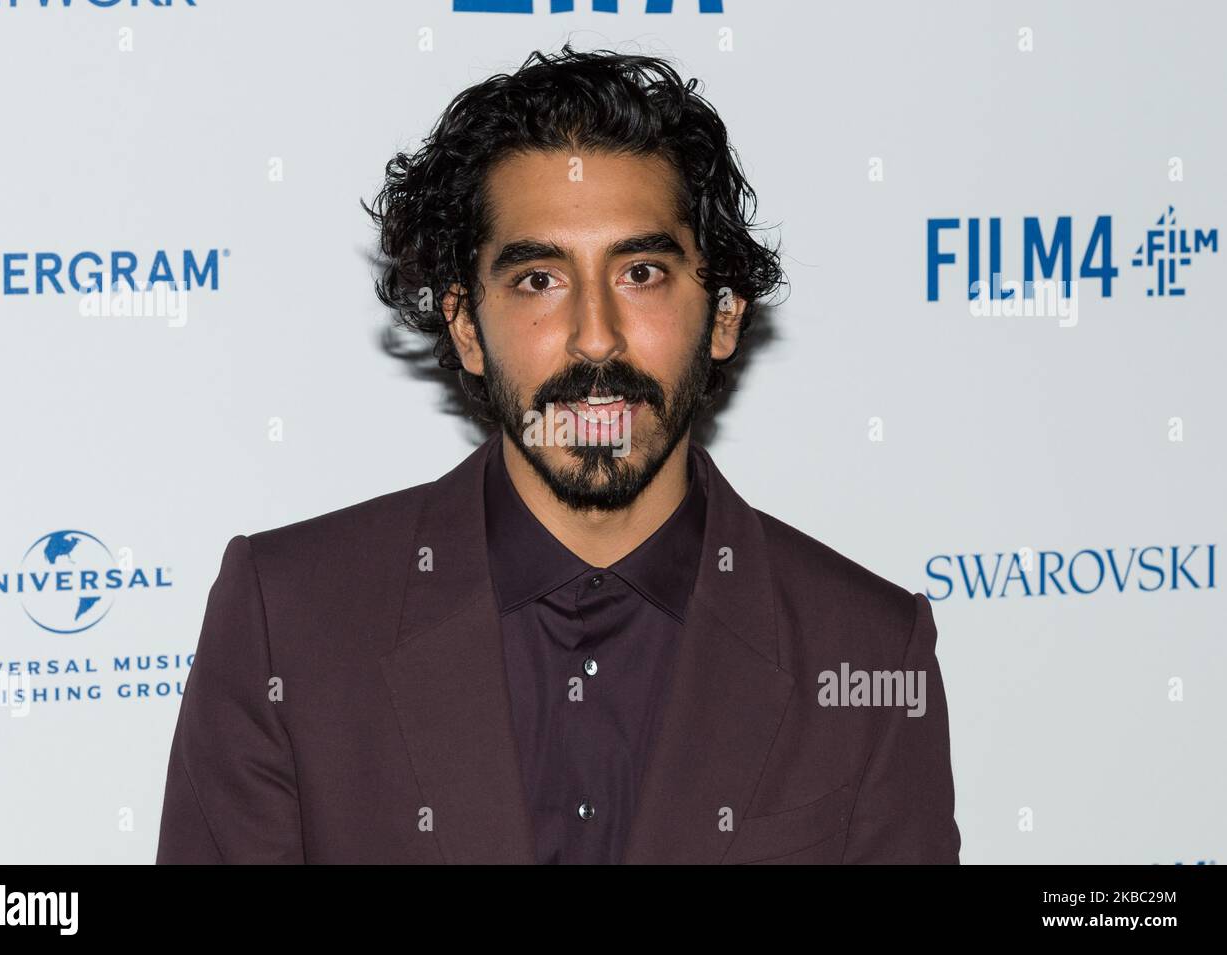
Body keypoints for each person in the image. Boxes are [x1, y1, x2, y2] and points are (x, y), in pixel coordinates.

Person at [156, 44, 960, 864]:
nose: (596, 335)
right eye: (539, 279)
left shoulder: (866, 653)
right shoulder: (287, 623)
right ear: (467, 327)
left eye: (641, 271)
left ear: (721, 314)